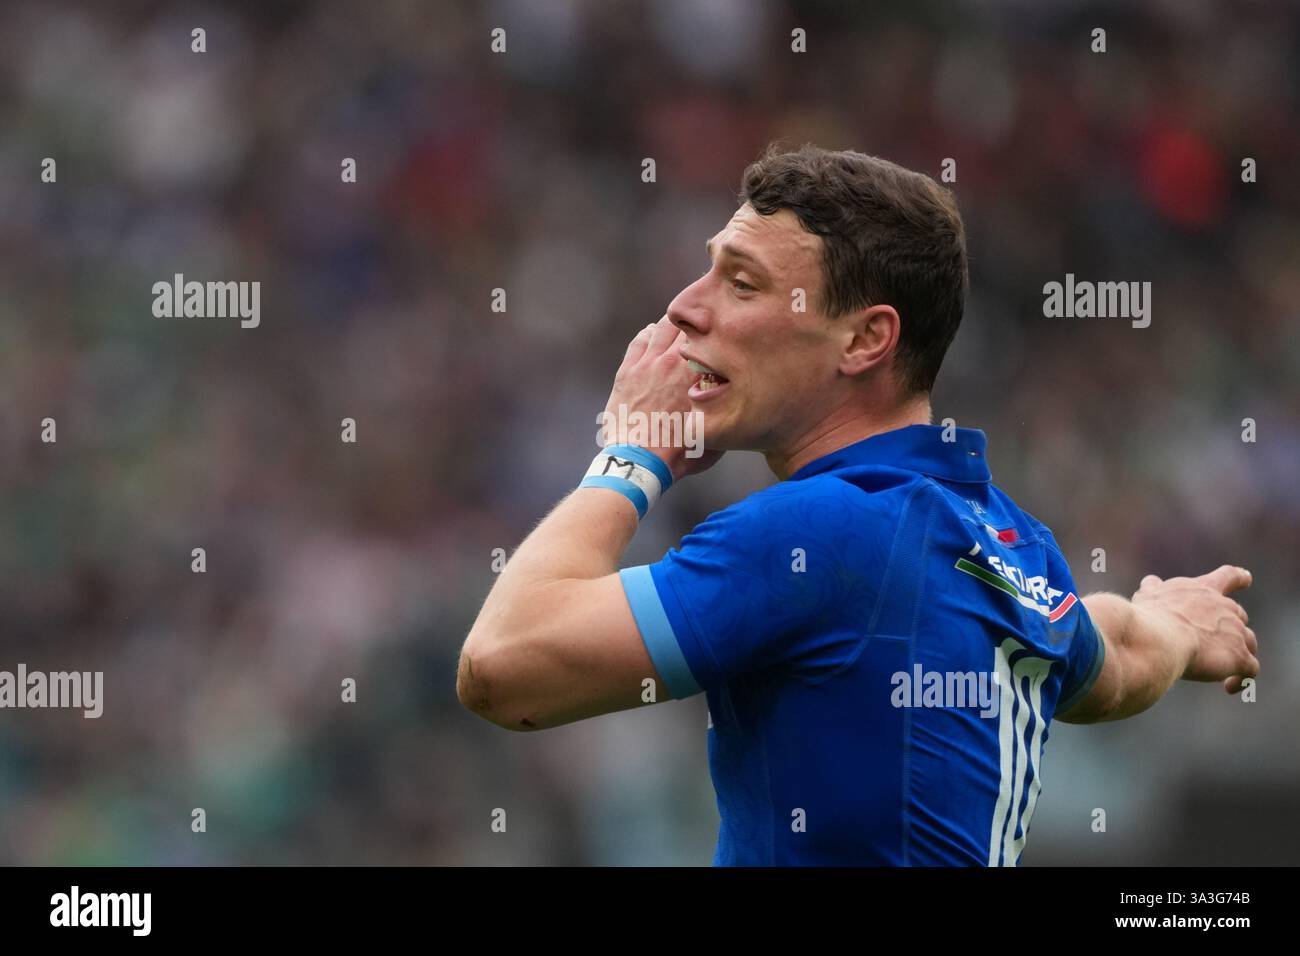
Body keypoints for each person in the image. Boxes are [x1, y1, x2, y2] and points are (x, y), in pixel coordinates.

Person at [457, 144, 1258, 865]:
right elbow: (1115, 657)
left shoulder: (828, 530)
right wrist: (1179, 630)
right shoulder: (1014, 547)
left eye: (741, 282)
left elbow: (503, 668)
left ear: (864, 340)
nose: (684, 308)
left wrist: (633, 452)